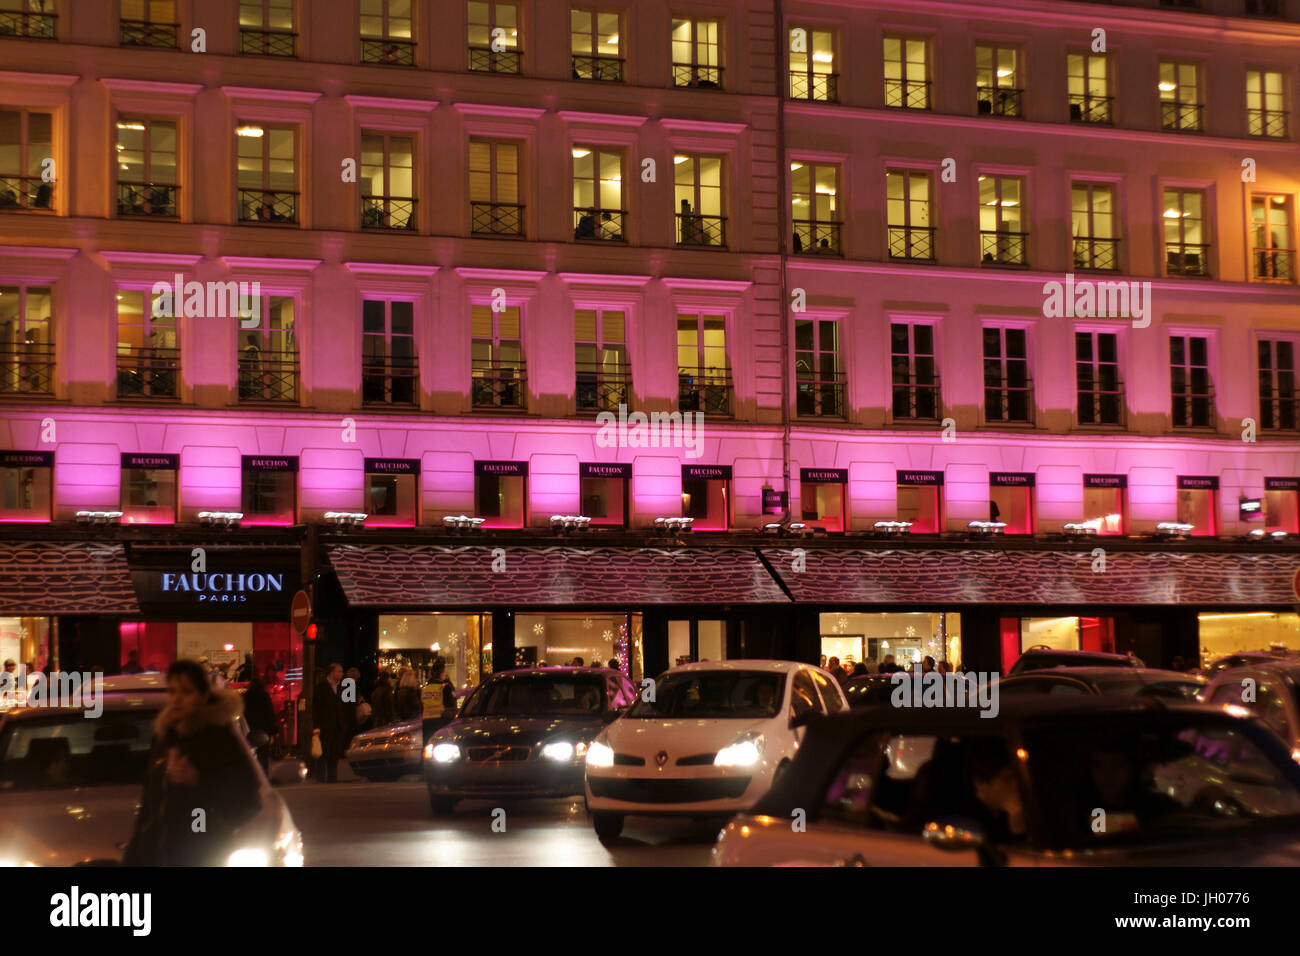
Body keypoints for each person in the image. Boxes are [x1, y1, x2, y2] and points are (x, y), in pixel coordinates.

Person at [124, 660, 263, 865]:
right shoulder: (166, 737)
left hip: (202, 856)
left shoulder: (219, 739)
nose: (177, 699)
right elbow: (150, 809)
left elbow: (246, 800)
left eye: (186, 692)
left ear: (203, 696)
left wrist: (198, 783)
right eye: (172, 691)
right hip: (160, 857)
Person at [311, 663, 346, 783]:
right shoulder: (321, 687)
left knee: (334, 754)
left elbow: (343, 706)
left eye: (342, 672)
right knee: (323, 752)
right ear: (332, 672)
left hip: (337, 726)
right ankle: (320, 778)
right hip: (325, 725)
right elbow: (316, 708)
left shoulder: (341, 687)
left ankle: (332, 778)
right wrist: (316, 726)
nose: (341, 674)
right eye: (339, 671)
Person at [242, 674, 277, 773]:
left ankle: (253, 774)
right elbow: (269, 714)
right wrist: (273, 732)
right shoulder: (264, 696)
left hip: (250, 729)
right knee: (263, 755)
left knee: (251, 754)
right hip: (263, 729)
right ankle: (263, 774)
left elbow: (243, 714)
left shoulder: (246, 697)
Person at [420, 658, 456, 745]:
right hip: (441, 721)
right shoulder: (444, 687)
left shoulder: (424, 689)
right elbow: (450, 704)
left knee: (428, 746)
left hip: (426, 722)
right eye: (444, 672)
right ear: (441, 673)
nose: (445, 674)